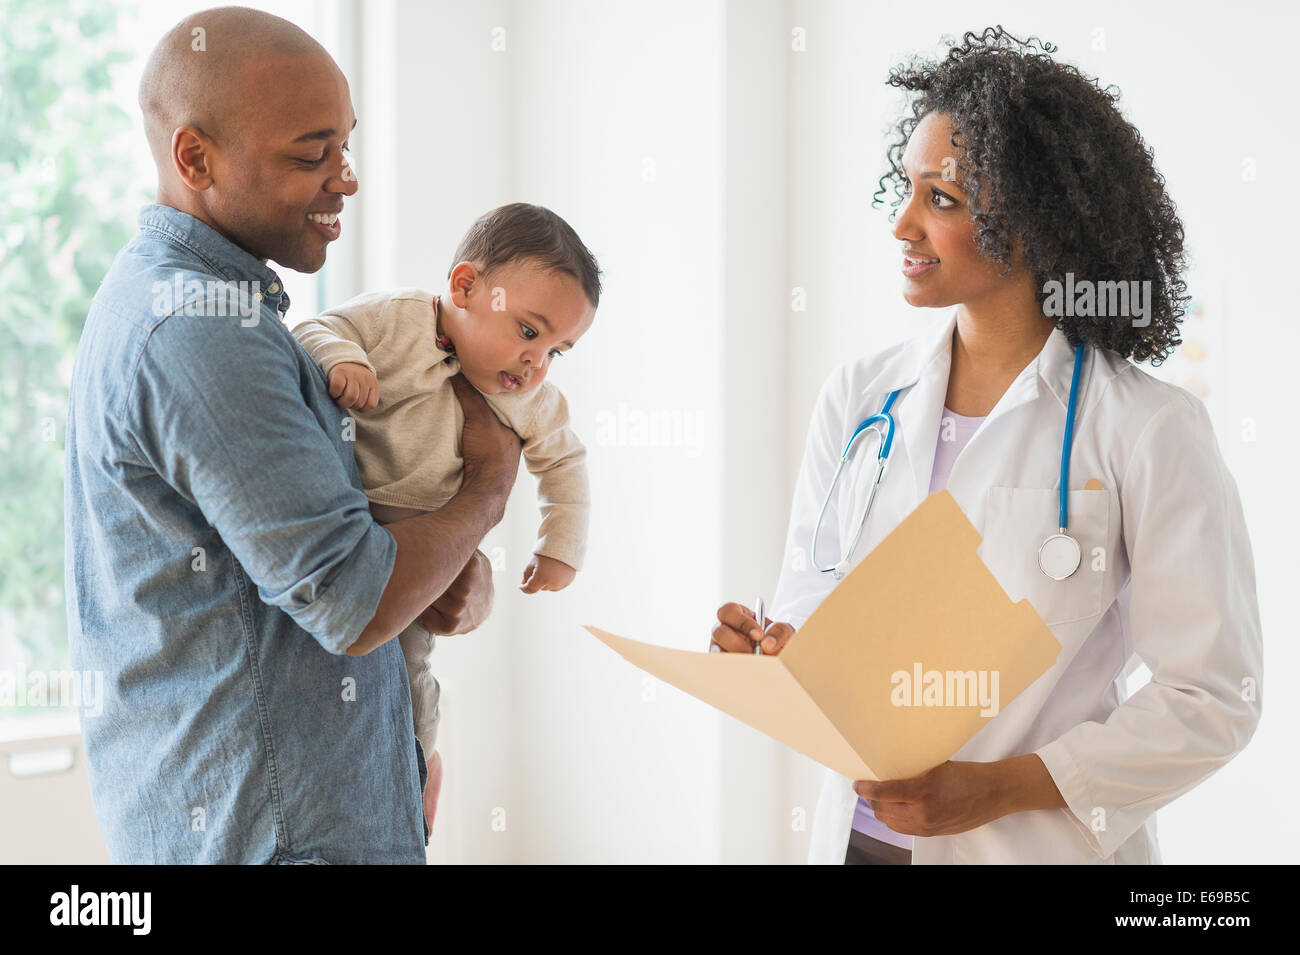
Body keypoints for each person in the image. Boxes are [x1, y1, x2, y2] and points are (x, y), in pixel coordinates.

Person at [711, 27, 1262, 865]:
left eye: (942, 199)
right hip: (858, 840)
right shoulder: (863, 398)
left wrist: (1001, 783)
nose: (902, 224)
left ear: (1034, 226)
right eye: (908, 188)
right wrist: (779, 649)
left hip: (1024, 846)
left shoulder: (1146, 429)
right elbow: (814, 590)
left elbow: (1211, 695)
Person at [64, 6, 520, 863]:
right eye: (312, 153)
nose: (345, 179)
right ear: (193, 157)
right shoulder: (201, 332)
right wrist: (488, 489)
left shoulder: (205, 306)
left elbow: (343, 554)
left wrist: (456, 567)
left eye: (346, 146)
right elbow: (357, 600)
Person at [291, 202, 600, 804]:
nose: (536, 362)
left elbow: (566, 462)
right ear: (464, 286)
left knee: (411, 668)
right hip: (351, 523)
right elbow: (311, 330)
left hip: (425, 550)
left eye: (557, 351)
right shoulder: (395, 319)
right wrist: (344, 358)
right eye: (529, 331)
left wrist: (560, 546)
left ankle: (419, 767)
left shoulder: (531, 402)